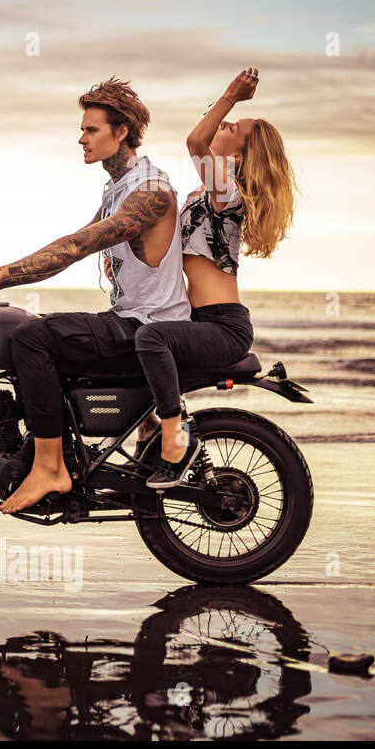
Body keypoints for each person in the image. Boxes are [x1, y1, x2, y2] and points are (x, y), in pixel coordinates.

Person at [0, 77, 191, 514]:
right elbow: (72, 251)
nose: (81, 137)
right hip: (131, 319)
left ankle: (49, 467)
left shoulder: (152, 190)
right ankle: (64, 448)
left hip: (149, 326)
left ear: (121, 133)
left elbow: (79, 245)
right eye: (82, 129)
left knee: (31, 337)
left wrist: (2, 274)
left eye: (91, 129)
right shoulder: (117, 189)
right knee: (39, 335)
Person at [129, 67, 299, 488]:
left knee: (151, 339)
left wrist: (231, 96)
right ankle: (154, 427)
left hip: (223, 325)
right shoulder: (205, 196)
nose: (223, 122)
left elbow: (195, 141)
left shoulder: (228, 196)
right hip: (198, 321)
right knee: (131, 335)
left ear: (238, 156)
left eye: (233, 127)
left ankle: (175, 441)